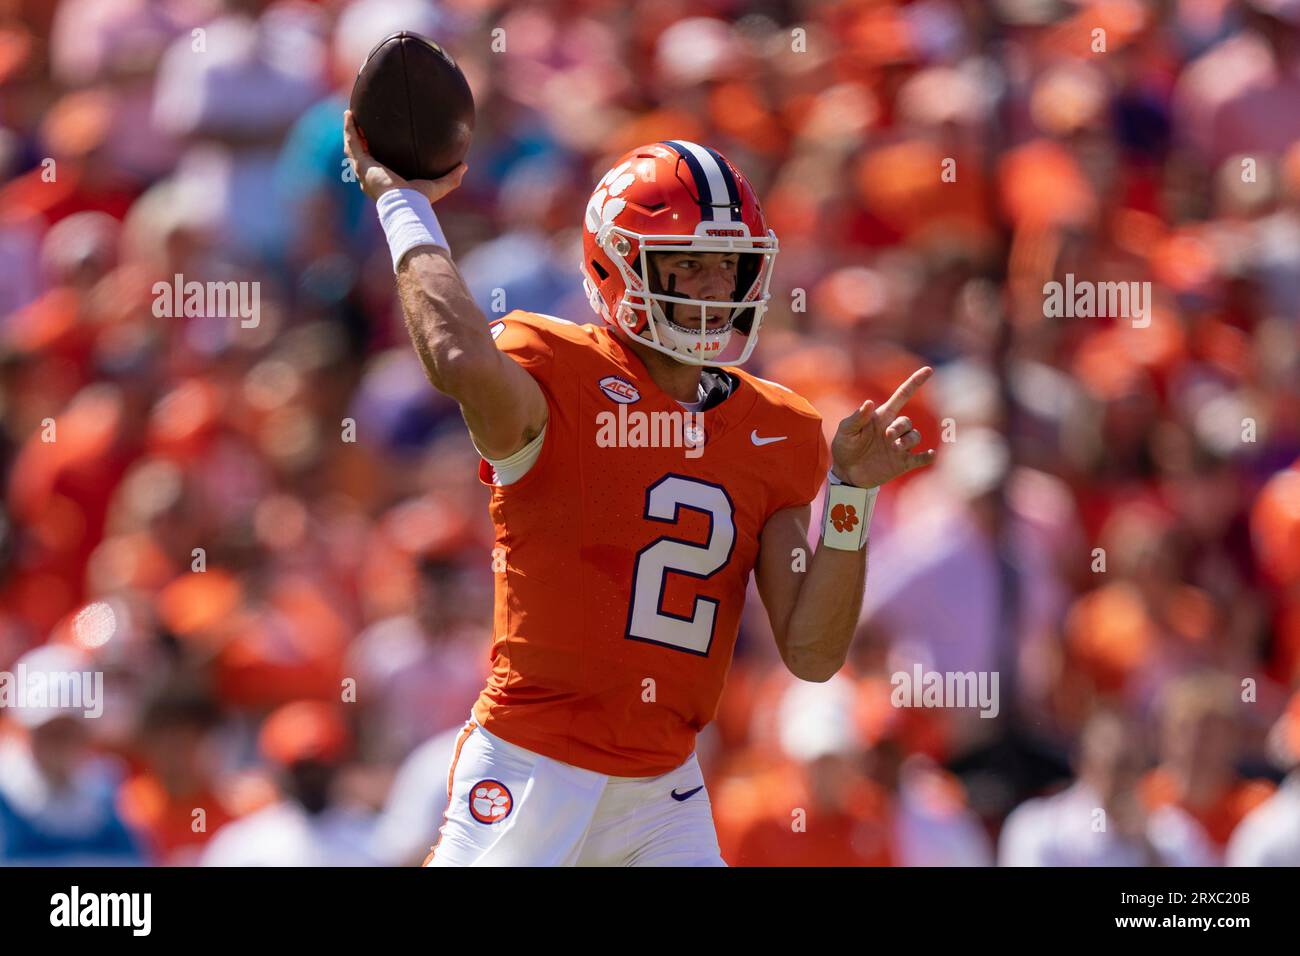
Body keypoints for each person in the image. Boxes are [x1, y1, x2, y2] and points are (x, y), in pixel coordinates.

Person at [344, 115, 937, 866]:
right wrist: (402, 202)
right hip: (534, 764)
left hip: (663, 786)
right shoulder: (555, 371)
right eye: (689, 264)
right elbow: (457, 353)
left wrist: (849, 495)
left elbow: (813, 655)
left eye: (729, 265)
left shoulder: (778, 429)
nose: (716, 287)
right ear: (620, 265)